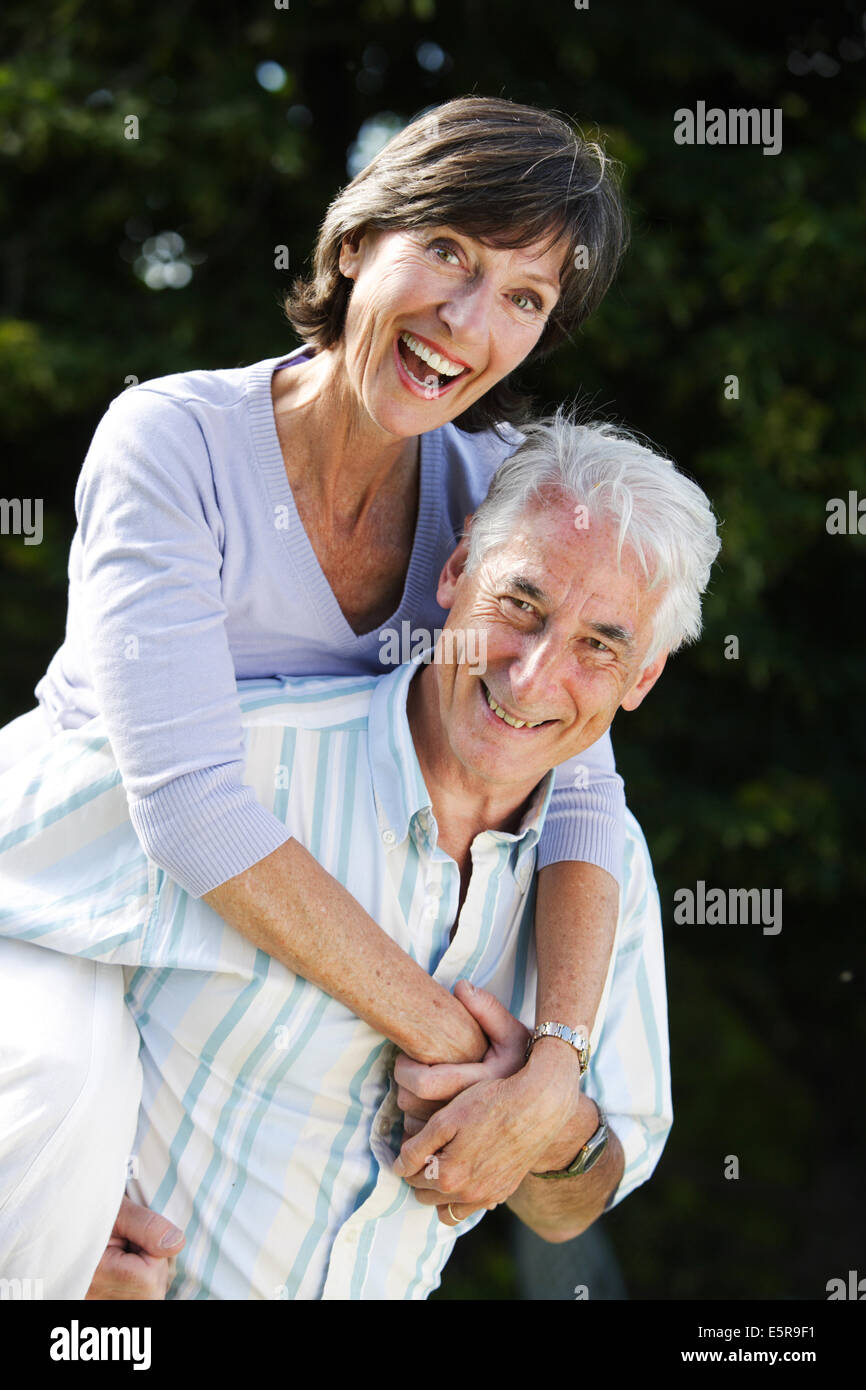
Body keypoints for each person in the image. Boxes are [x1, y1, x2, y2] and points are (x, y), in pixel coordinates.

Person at [0, 95, 630, 1297]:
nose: (466, 318)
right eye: (447, 250)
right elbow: (192, 811)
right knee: (65, 1148)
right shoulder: (171, 440)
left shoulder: (494, 491)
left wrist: (551, 1068)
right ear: (354, 243)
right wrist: (451, 1040)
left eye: (523, 296)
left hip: (226, 956)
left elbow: (585, 798)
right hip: (53, 905)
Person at [0, 415, 720, 1298]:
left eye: (597, 646)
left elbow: (575, 1204)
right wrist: (46, 1225)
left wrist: (546, 1118)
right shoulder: (237, 769)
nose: (531, 677)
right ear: (456, 574)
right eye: (520, 606)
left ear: (642, 679)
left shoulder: (613, 883)